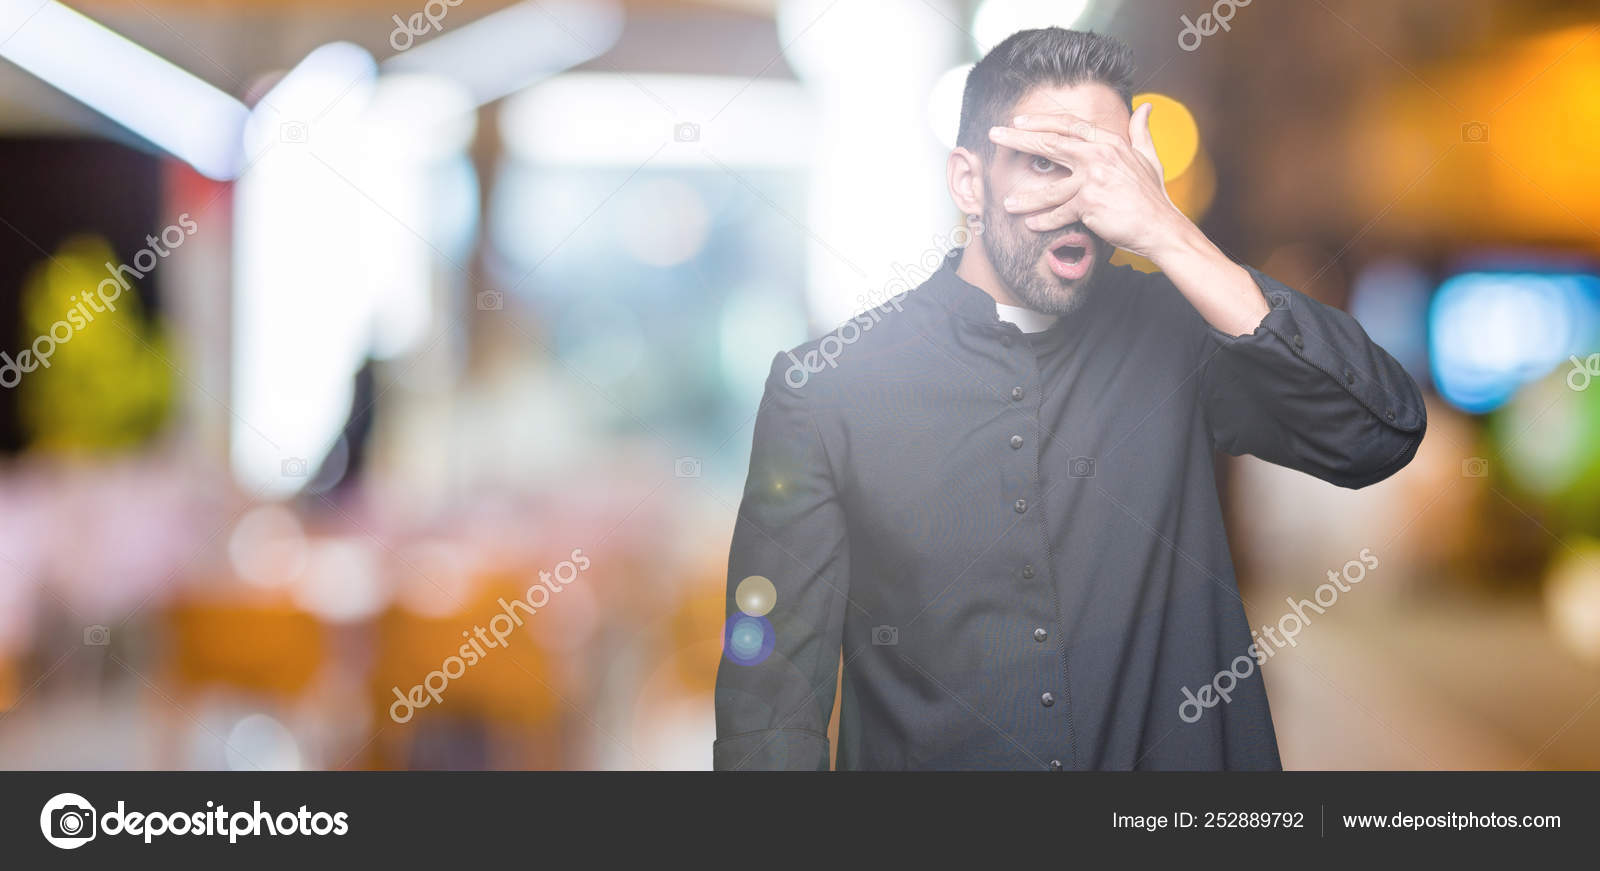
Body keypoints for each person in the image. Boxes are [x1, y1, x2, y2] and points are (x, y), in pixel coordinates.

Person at [713, 28, 1425, 770]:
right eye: (1044, 164)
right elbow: (770, 713)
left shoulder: (1180, 333)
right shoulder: (826, 388)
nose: (1076, 202)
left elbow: (1379, 431)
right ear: (968, 181)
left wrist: (1171, 234)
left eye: (1104, 170)